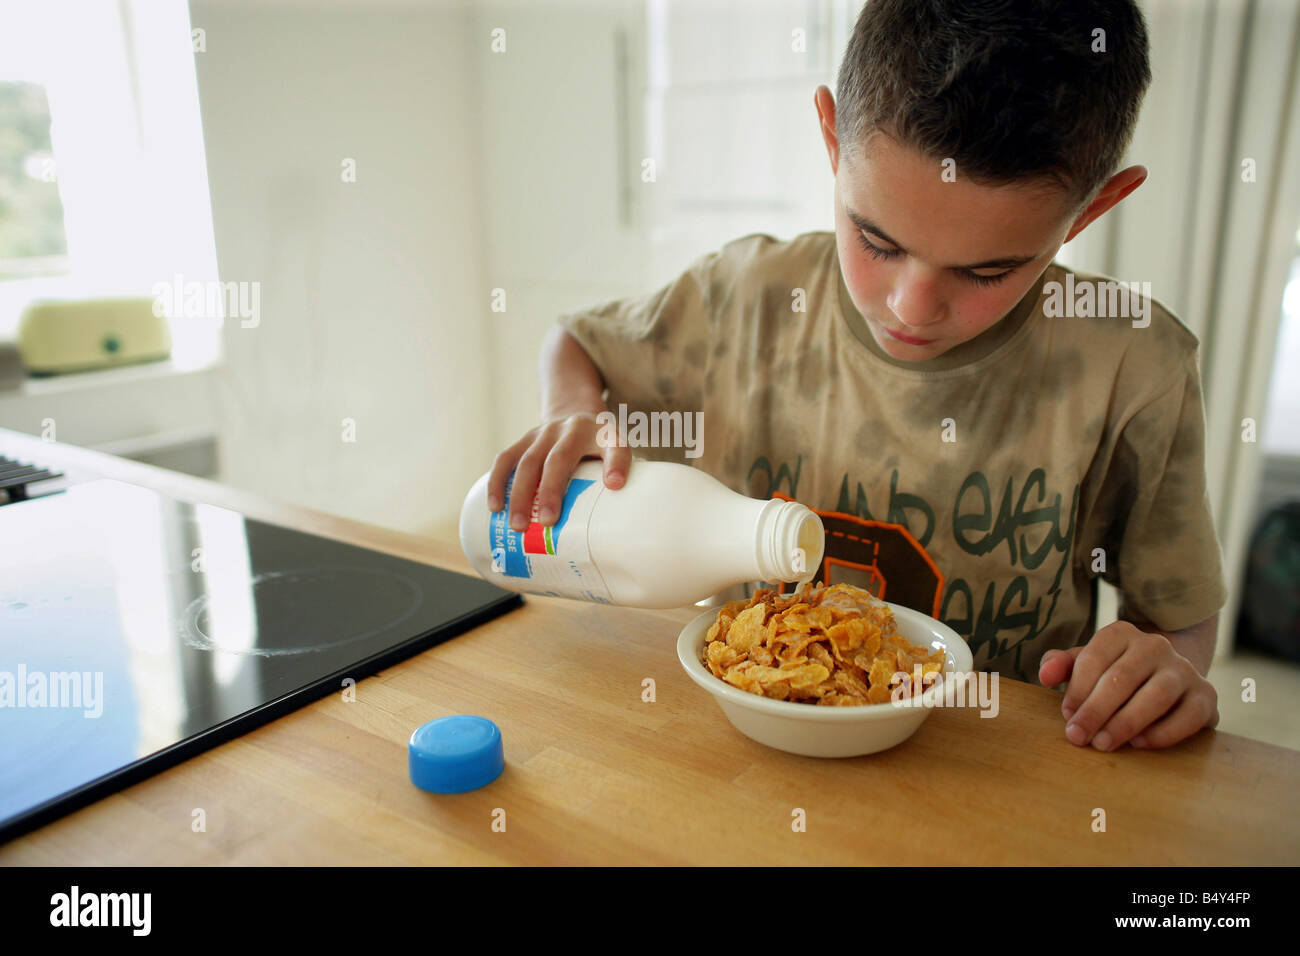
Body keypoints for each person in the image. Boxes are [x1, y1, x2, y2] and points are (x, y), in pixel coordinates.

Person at [486, 0, 1225, 752]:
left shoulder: (1134, 366)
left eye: (987, 271)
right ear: (834, 140)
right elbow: (576, 339)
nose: (912, 307)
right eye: (876, 239)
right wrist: (571, 407)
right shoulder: (744, 298)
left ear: (1092, 208)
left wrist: (1164, 667)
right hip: (743, 758)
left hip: (988, 776)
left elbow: (1178, 617)